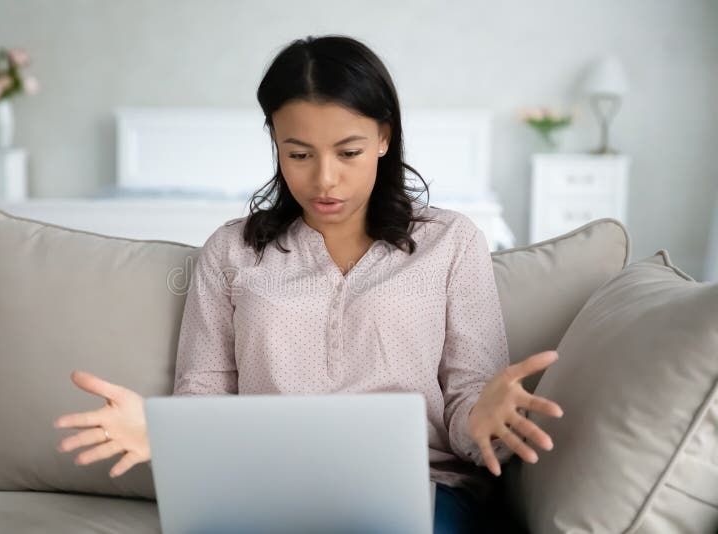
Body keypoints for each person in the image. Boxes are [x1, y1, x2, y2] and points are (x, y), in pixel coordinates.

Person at [53, 34, 563, 533]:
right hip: (262, 489)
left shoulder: (451, 243)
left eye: (348, 153)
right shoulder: (231, 252)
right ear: (275, 141)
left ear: (384, 137)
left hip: (421, 488)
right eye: (299, 154)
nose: (324, 180)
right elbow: (204, 395)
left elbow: (469, 395)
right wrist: (168, 437)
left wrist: (481, 420)